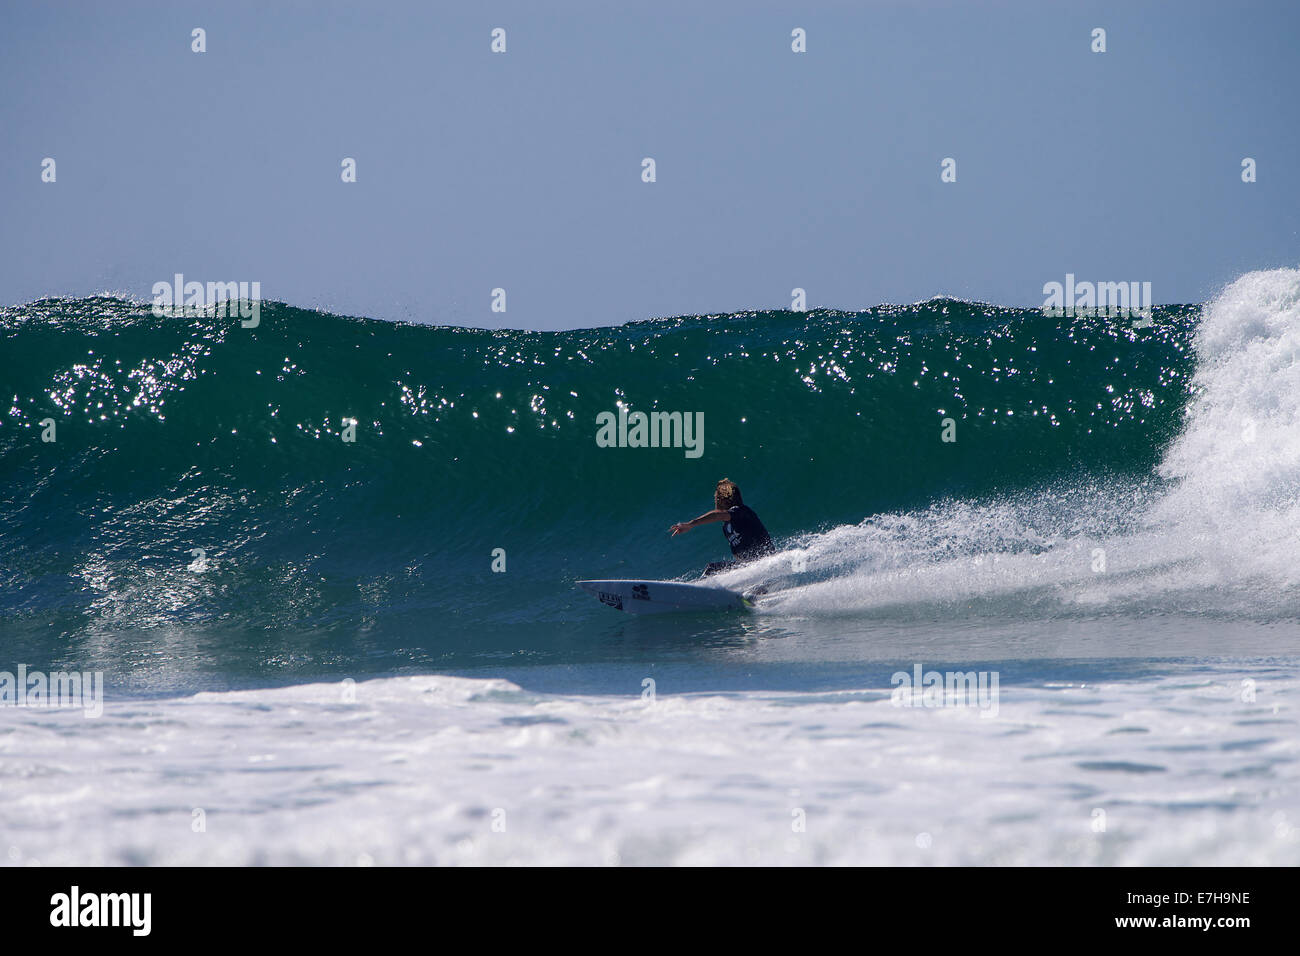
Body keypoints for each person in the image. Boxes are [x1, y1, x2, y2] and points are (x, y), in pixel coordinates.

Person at [670, 478, 774, 576]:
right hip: (749, 567)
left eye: (716, 498)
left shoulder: (740, 511)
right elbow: (738, 555)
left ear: (723, 499)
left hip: (764, 564)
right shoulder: (726, 527)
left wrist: (691, 524)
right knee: (713, 570)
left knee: (711, 569)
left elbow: (718, 515)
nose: (715, 501)